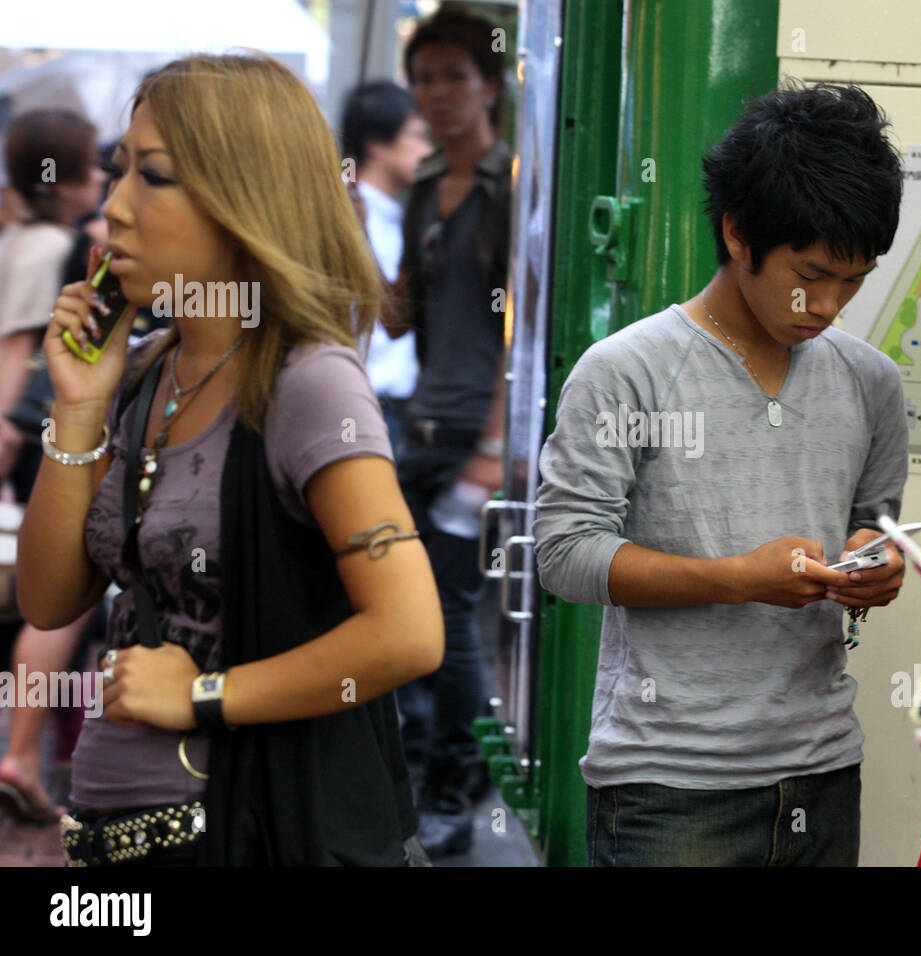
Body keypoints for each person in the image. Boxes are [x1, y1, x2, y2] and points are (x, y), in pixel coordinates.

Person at [17, 52, 443, 866]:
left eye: (155, 177)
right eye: (116, 174)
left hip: (251, 830)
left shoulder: (310, 385)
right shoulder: (143, 371)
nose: (115, 208)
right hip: (113, 838)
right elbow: (49, 597)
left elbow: (410, 633)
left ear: (245, 198)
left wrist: (205, 695)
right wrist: (75, 410)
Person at [533, 83, 910, 867]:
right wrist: (737, 577)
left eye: (856, 279)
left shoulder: (870, 380)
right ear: (738, 234)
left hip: (823, 769)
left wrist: (875, 561)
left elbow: (875, 521)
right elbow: (564, 555)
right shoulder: (626, 371)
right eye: (811, 274)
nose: (830, 305)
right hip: (670, 787)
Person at [391, 7, 511, 857]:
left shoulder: (512, 191)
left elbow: (525, 331)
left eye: (453, 78)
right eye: (424, 79)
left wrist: (494, 454)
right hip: (419, 427)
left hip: (477, 434)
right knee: (403, 606)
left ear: (491, 85)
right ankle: (430, 770)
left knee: (450, 614)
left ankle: (454, 790)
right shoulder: (424, 188)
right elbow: (400, 317)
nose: (436, 94)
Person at [0, 109, 106, 822]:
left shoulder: (20, 237)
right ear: (59, 176)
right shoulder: (52, 248)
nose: (102, 182)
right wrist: (10, 431)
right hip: (41, 432)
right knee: (59, 603)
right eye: (93, 167)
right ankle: (24, 751)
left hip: (34, 432)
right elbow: (19, 353)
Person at [339, 80, 432, 451]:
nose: (427, 149)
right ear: (377, 143)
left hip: (396, 410)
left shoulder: (399, 217)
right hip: (367, 405)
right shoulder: (348, 215)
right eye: (417, 135)